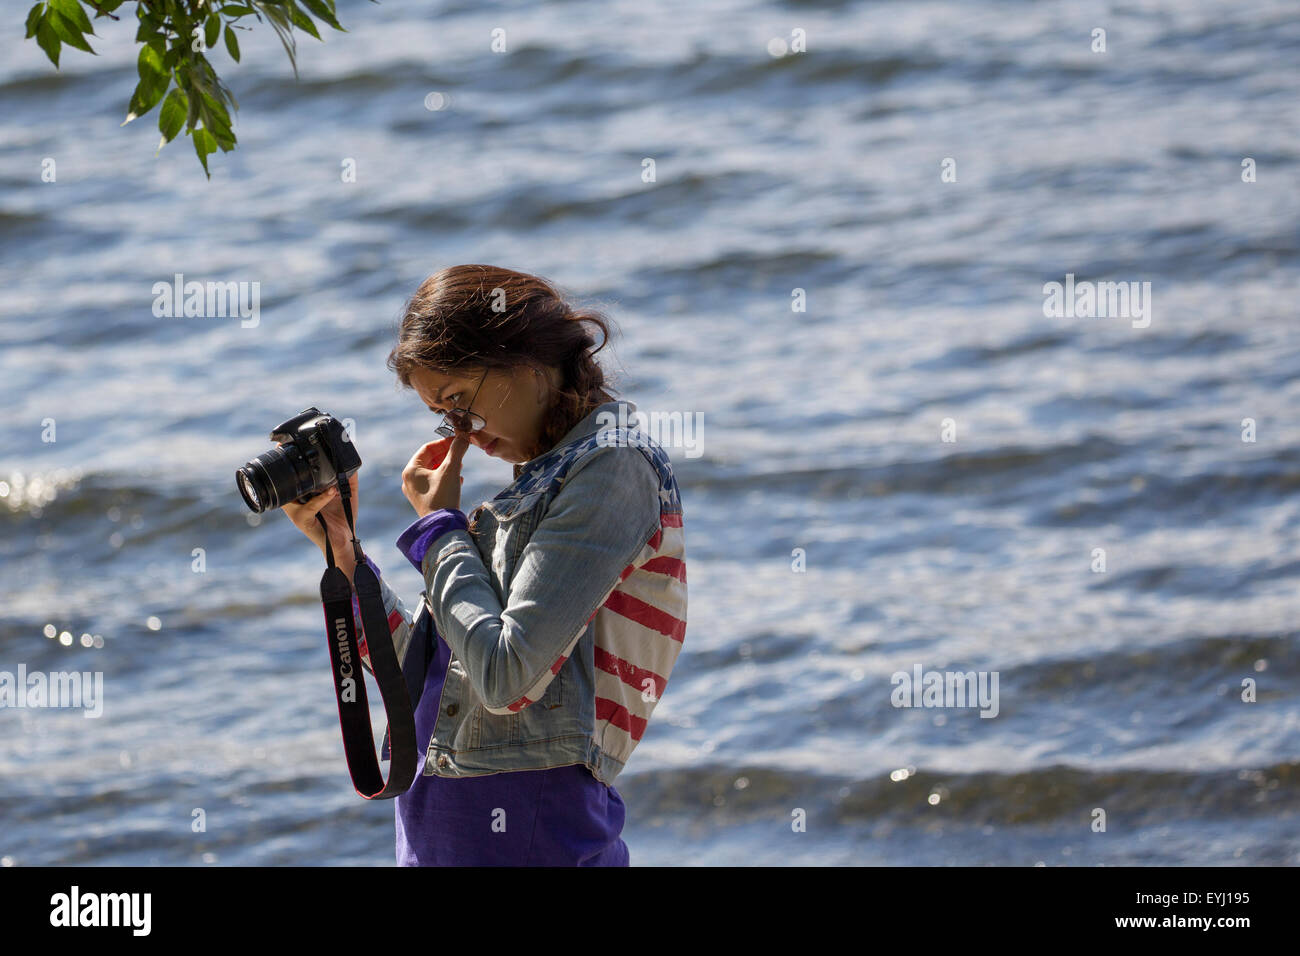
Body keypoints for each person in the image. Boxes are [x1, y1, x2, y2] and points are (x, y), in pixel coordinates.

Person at [282, 264, 687, 866]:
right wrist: (341, 549)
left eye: (458, 400)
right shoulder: (530, 493)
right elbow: (420, 674)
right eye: (441, 414)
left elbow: (506, 677)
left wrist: (441, 530)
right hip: (438, 824)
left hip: (531, 826)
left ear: (526, 360)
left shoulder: (613, 469)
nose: (460, 430)